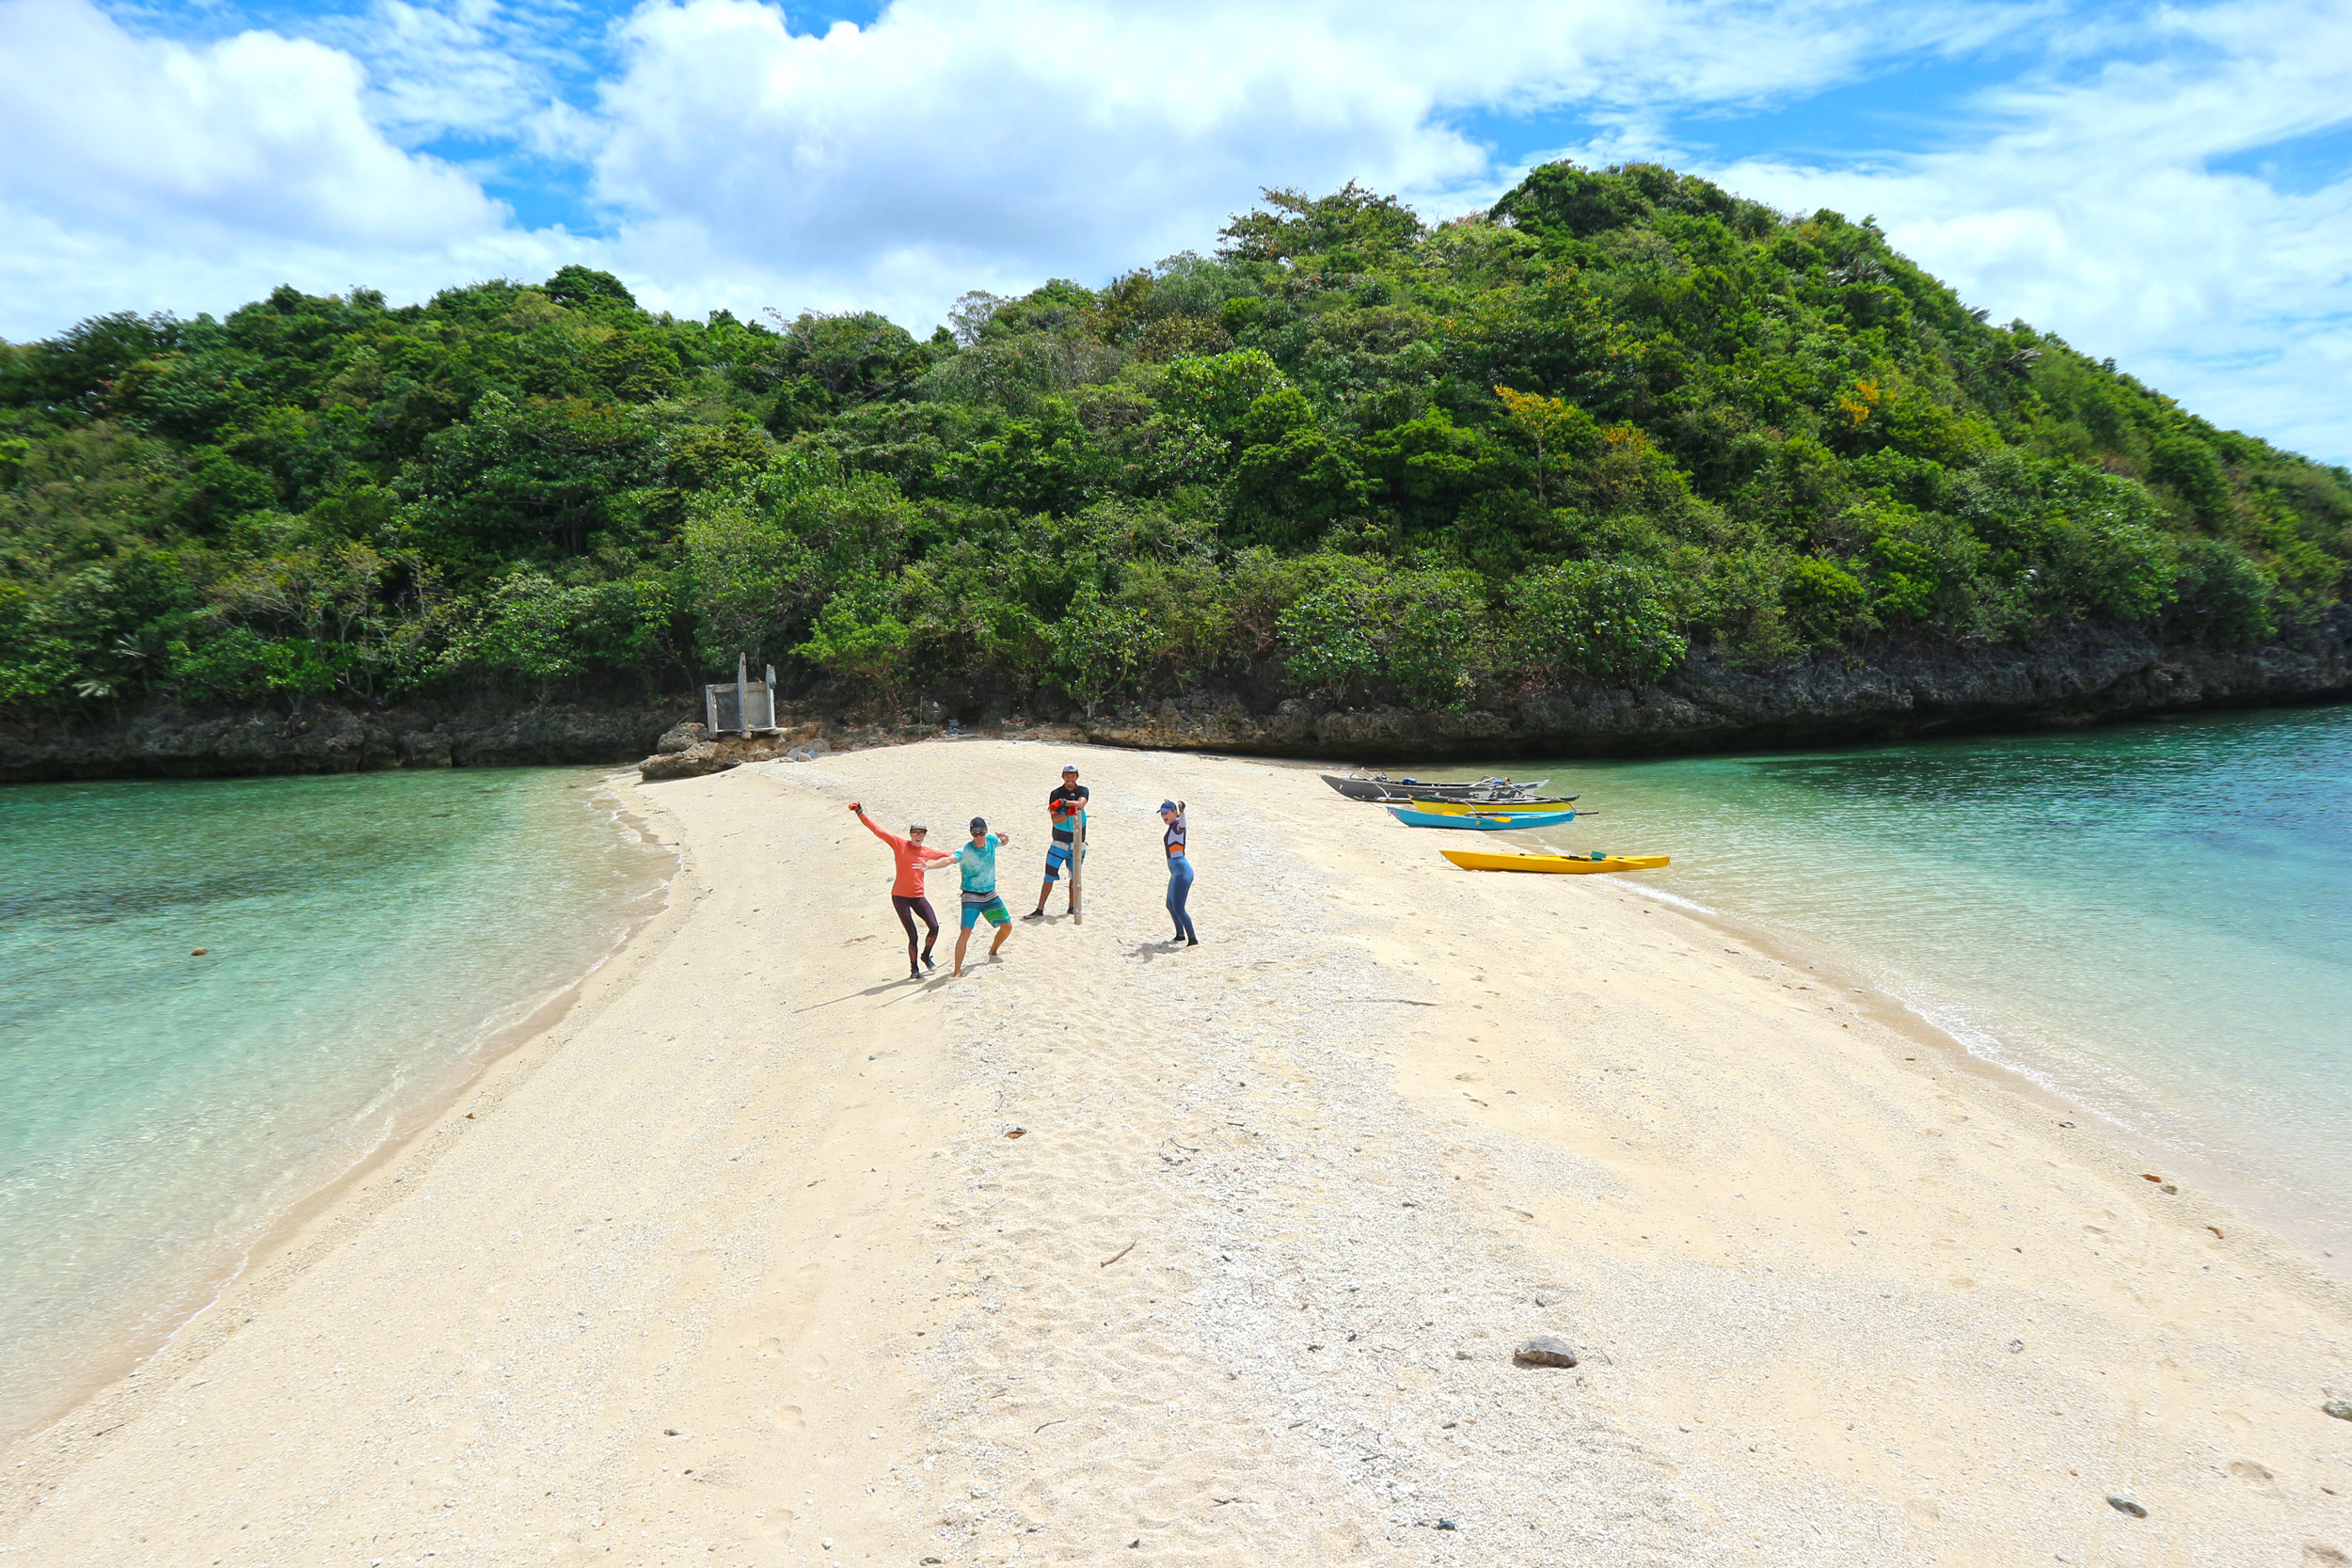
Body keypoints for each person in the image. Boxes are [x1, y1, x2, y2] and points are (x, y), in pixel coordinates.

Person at [850, 802, 951, 980]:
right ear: (910, 834)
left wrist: (974, 848)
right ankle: (914, 968)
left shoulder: (927, 852)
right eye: (915, 832)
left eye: (921, 833)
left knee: (934, 927)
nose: (918, 836)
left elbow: (951, 855)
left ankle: (926, 956)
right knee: (912, 935)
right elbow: (878, 831)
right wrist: (860, 814)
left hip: (918, 896)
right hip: (900, 897)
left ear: (925, 835)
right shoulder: (899, 844)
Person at [1024, 763, 1090, 920]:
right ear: (1063, 776)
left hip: (1078, 842)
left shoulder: (1083, 790)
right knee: (1049, 876)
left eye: (1073, 775)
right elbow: (1055, 820)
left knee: (1075, 877)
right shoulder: (1055, 793)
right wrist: (1068, 813)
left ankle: (1073, 907)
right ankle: (1039, 909)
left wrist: (1063, 803)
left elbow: (1081, 804)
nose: (1070, 778)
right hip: (1059, 841)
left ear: (1077, 777)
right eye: (1067, 775)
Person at [951, 816, 1014, 976]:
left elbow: (1003, 843)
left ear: (986, 831)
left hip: (990, 894)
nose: (978, 837)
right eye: (975, 834)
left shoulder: (991, 841)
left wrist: (1006, 840)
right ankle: (957, 971)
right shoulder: (966, 850)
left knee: (1007, 927)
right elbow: (950, 859)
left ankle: (993, 951)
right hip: (971, 896)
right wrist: (929, 865)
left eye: (981, 833)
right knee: (966, 931)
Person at [1159, 799, 1198, 946]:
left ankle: (1192, 939)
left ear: (1174, 813)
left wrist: (1182, 812)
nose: (1163, 816)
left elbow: (1183, 825)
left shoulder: (1177, 826)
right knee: (1170, 904)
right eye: (1161, 813)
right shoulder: (1171, 826)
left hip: (1182, 871)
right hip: (1176, 872)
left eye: (1166, 813)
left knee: (1179, 908)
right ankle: (1180, 934)